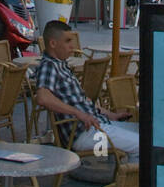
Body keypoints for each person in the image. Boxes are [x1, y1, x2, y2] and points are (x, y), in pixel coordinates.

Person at [34, 20, 139, 158]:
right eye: (67, 41)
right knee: (141, 144)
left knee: (146, 135)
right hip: (83, 134)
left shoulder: (62, 66)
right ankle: (128, 179)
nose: (72, 46)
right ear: (53, 43)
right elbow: (43, 97)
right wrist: (79, 114)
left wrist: (110, 114)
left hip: (96, 125)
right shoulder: (49, 66)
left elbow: (83, 101)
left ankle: (127, 175)